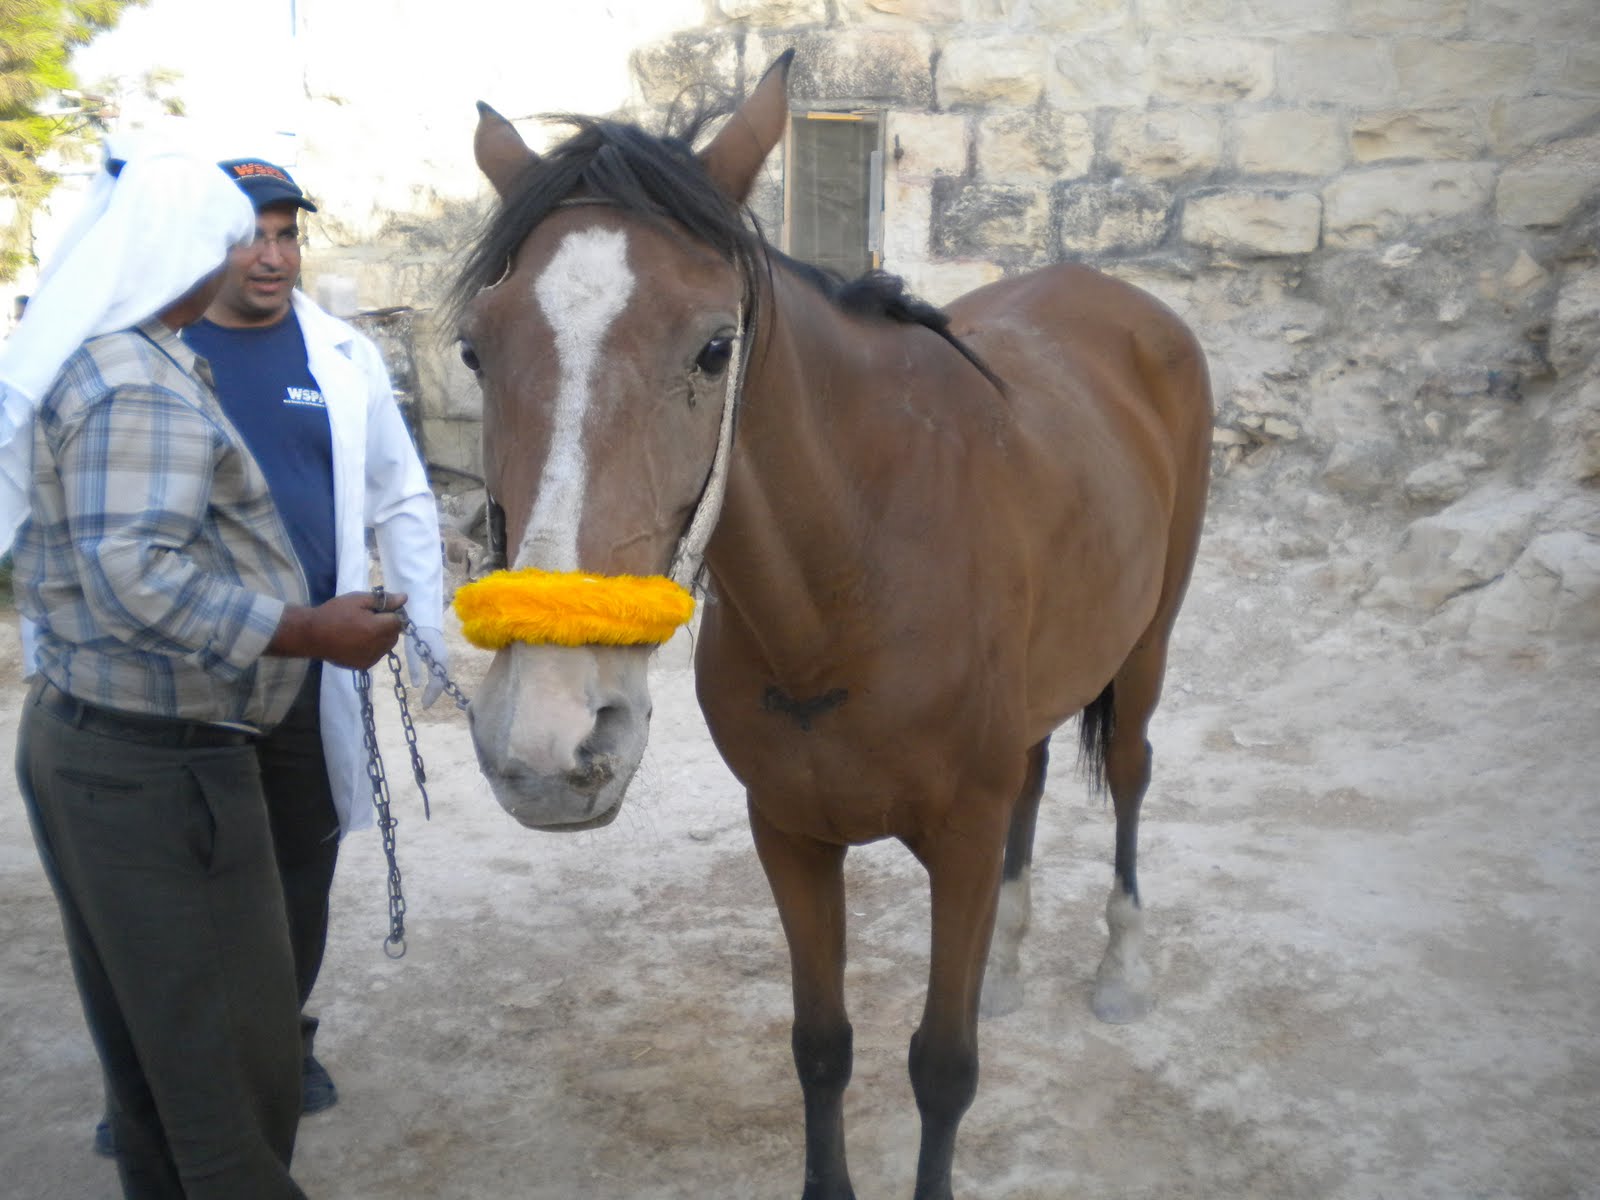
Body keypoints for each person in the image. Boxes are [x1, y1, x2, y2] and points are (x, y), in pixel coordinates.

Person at [3, 146, 409, 1197]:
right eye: (233, 237)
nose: (252, 257)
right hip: (156, 767)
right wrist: (307, 632)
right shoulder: (133, 382)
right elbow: (134, 572)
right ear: (177, 247)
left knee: (158, 1060)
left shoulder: (138, 355)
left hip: (128, 748)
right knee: (231, 1070)